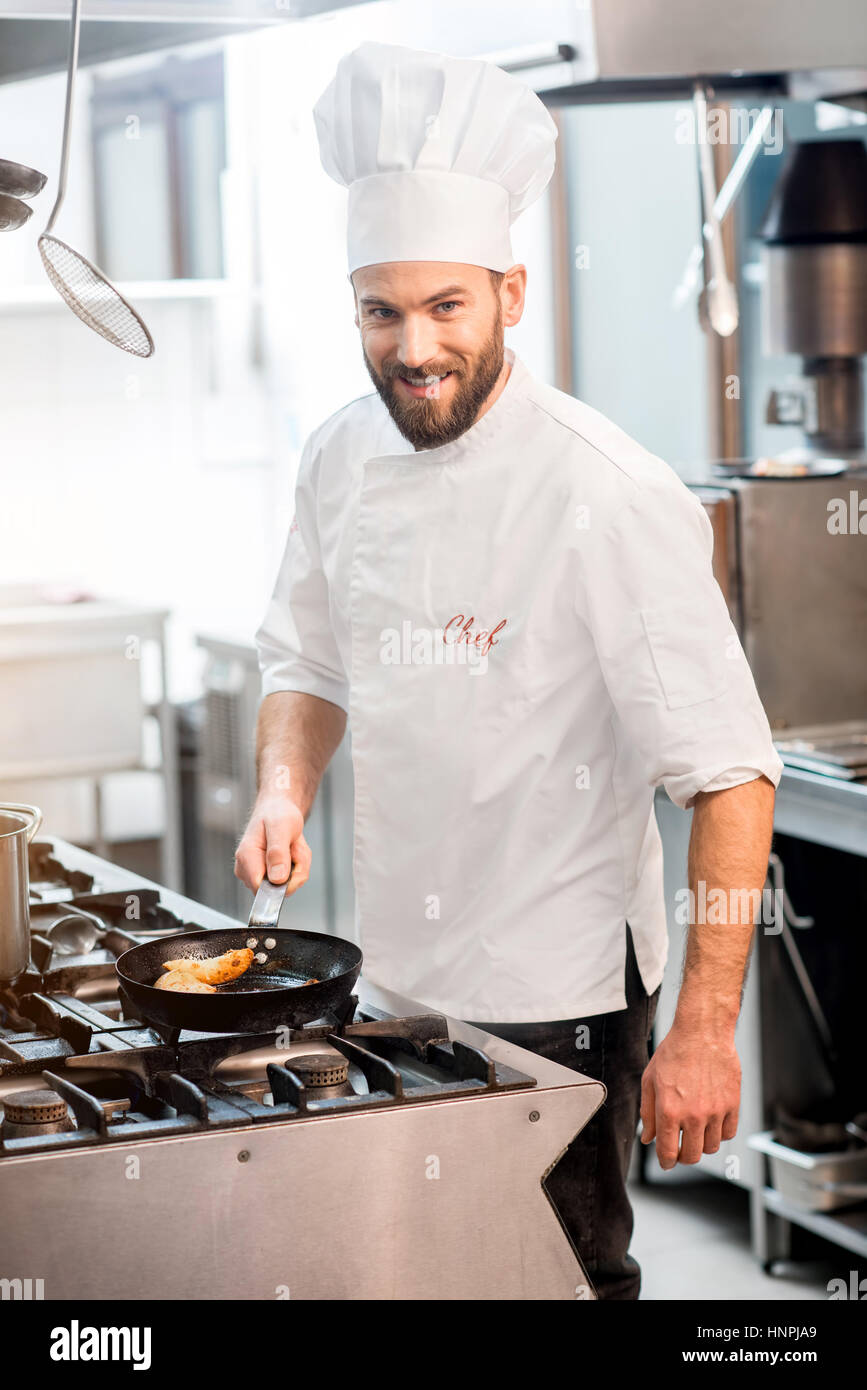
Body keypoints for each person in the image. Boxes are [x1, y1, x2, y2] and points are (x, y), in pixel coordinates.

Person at [235, 41, 783, 1299]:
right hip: (395, 973)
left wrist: (701, 1031)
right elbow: (306, 658)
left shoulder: (608, 492)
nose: (413, 348)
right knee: (415, 1279)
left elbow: (730, 774)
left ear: (513, 294)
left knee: (555, 1282)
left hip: (559, 994)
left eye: (447, 306)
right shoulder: (336, 460)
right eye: (383, 310)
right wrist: (283, 789)